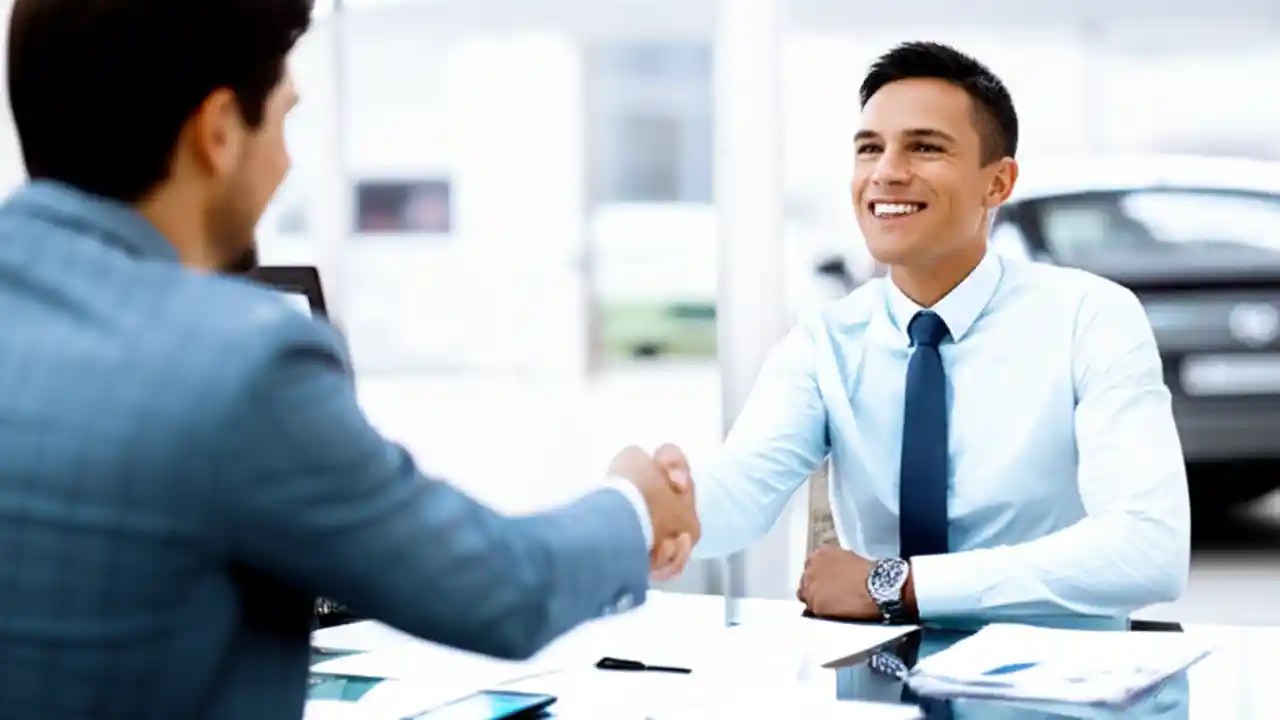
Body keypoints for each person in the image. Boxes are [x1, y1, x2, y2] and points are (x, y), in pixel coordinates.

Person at [0, 2, 697, 719]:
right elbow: (501, 592)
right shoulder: (239, 365)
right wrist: (636, 506)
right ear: (219, 132)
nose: (286, 163)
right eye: (283, 119)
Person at [683, 41, 1189, 625]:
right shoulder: (826, 341)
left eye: (924, 147)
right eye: (869, 149)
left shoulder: (1090, 318)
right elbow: (739, 494)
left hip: (1057, 672)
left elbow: (1149, 549)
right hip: (879, 669)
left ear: (997, 183)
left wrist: (898, 585)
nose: (886, 172)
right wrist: (649, 507)